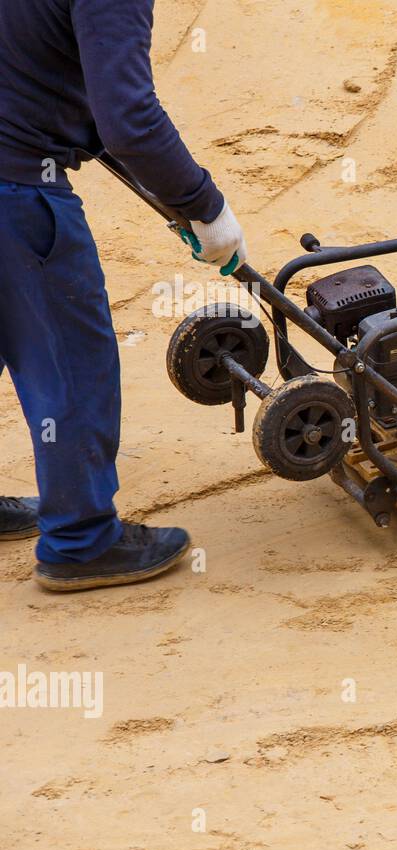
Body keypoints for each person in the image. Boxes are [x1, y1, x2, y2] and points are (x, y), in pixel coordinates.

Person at [0, 0, 246, 591]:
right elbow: (129, 116)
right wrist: (205, 206)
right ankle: (82, 543)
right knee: (70, 366)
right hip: (17, 193)